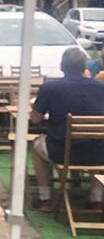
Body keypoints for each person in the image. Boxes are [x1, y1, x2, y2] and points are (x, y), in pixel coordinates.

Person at [30, 46, 104, 212]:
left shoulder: (51, 88)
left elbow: (35, 119)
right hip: (99, 153)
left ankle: (45, 198)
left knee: (36, 145)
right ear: (84, 67)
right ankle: (97, 199)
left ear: (62, 66)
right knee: (96, 143)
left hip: (61, 151)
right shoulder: (101, 87)